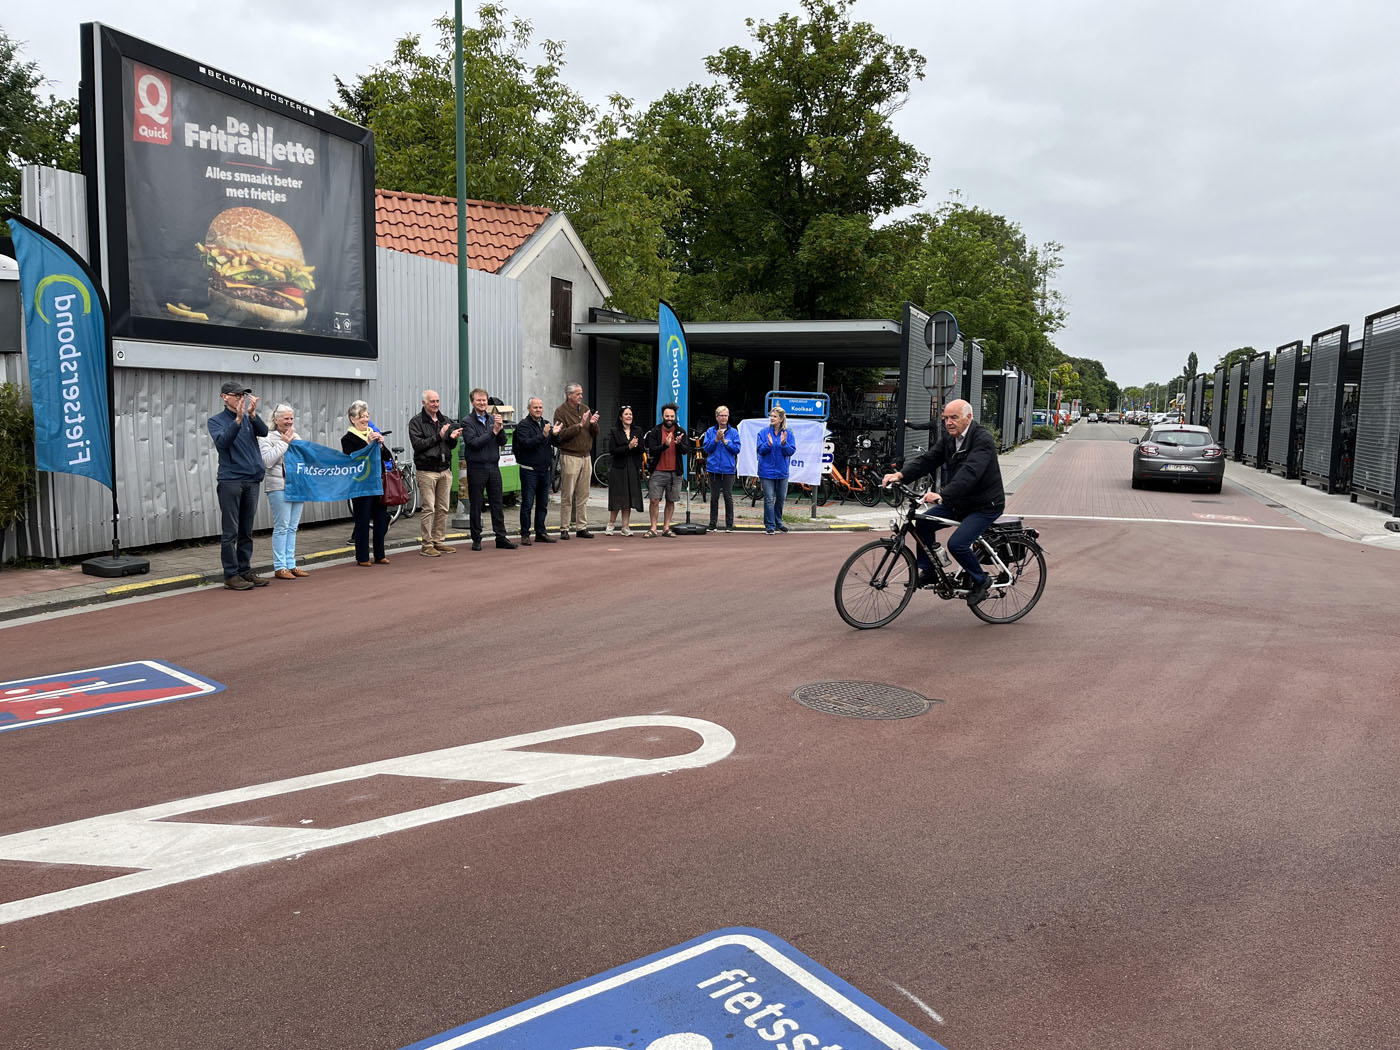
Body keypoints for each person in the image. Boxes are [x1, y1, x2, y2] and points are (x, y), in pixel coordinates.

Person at [882, 398, 1005, 606]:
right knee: (923, 523)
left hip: (984, 505)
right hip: (959, 502)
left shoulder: (982, 439)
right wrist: (900, 475)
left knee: (957, 544)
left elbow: (970, 473)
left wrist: (942, 495)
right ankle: (929, 571)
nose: (948, 422)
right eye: (946, 418)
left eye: (953, 418)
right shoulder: (949, 438)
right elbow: (929, 459)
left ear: (968, 417)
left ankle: (981, 581)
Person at [207, 380, 270, 590]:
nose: (241, 399)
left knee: (246, 530)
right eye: (237, 395)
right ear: (225, 397)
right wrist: (238, 420)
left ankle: (244, 570)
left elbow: (264, 432)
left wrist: (252, 415)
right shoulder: (216, 421)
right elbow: (222, 443)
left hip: (252, 479)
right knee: (230, 531)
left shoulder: (248, 418)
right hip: (231, 480)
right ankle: (231, 575)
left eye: (243, 395)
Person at [407, 389, 463, 557]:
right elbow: (418, 445)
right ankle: (426, 544)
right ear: (424, 403)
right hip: (426, 471)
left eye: (437, 401)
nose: (436, 404)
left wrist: (452, 438)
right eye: (432, 401)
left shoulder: (445, 420)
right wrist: (439, 436)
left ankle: (438, 541)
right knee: (428, 508)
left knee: (443, 508)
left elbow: (449, 446)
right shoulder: (416, 422)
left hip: (444, 469)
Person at [460, 387, 516, 551]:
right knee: (476, 504)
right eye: (478, 400)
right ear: (472, 402)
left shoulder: (492, 418)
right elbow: (474, 443)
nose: (482, 403)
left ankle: (501, 537)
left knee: (497, 504)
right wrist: (493, 432)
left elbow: (502, 441)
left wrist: (500, 428)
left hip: (493, 467)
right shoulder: (467, 422)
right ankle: (476, 538)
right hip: (477, 468)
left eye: (484, 400)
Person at [258, 404, 308, 580]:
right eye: (286, 418)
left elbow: (304, 458)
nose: (289, 422)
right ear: (276, 419)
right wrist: (284, 443)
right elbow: (267, 461)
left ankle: (291, 564)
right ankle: (280, 566)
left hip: (297, 486)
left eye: (291, 418)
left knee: (293, 527)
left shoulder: (296, 436)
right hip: (278, 486)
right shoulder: (265, 436)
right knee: (282, 526)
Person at [342, 400, 393, 567]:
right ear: (352, 419)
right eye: (361, 417)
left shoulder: (374, 433)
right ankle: (362, 556)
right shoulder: (348, 439)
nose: (365, 420)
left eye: (366, 416)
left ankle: (380, 554)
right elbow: (352, 458)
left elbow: (387, 457)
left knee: (381, 519)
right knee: (362, 520)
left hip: (377, 483)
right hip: (361, 485)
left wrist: (381, 446)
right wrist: (369, 445)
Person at [552, 382, 600, 538]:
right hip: (570, 456)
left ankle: (581, 527)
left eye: (581, 393)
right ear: (569, 395)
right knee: (567, 494)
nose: (581, 396)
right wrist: (579, 425)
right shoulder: (560, 412)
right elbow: (561, 435)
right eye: (578, 394)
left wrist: (593, 424)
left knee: (583, 494)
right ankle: (564, 528)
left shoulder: (585, 409)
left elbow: (594, 433)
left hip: (586, 456)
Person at [511, 396, 560, 544]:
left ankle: (541, 532)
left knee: (543, 504)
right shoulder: (523, 425)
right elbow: (526, 444)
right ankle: (525, 534)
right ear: (529, 409)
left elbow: (555, 443)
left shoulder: (546, 424)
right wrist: (543, 435)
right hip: (529, 470)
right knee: (527, 504)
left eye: (540, 407)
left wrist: (555, 434)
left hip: (544, 471)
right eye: (535, 407)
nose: (538, 410)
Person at [756, 405, 797, 535]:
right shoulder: (763, 432)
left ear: (781, 419)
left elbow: (791, 451)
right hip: (766, 471)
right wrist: (768, 444)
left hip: (782, 471)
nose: (772, 418)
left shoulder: (788, 433)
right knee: (769, 499)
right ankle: (770, 525)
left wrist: (784, 444)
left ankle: (778, 522)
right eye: (771, 416)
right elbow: (760, 451)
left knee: (781, 498)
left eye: (775, 416)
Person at [605, 405, 644, 535]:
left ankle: (625, 526)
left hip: (632, 466)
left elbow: (642, 449)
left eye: (630, 414)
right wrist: (628, 446)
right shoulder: (614, 431)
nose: (629, 416)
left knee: (629, 496)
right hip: (619, 468)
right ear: (621, 417)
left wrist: (635, 446)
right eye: (626, 414)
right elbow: (612, 450)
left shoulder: (638, 430)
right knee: (618, 496)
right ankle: (611, 523)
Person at [701, 405, 740, 533]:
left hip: (728, 469)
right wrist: (716, 440)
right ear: (717, 417)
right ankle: (713, 523)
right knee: (714, 497)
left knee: (728, 496)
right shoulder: (710, 431)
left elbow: (737, 449)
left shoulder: (734, 432)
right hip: (713, 469)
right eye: (721, 415)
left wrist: (726, 442)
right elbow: (707, 449)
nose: (724, 418)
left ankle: (729, 524)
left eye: (725, 415)